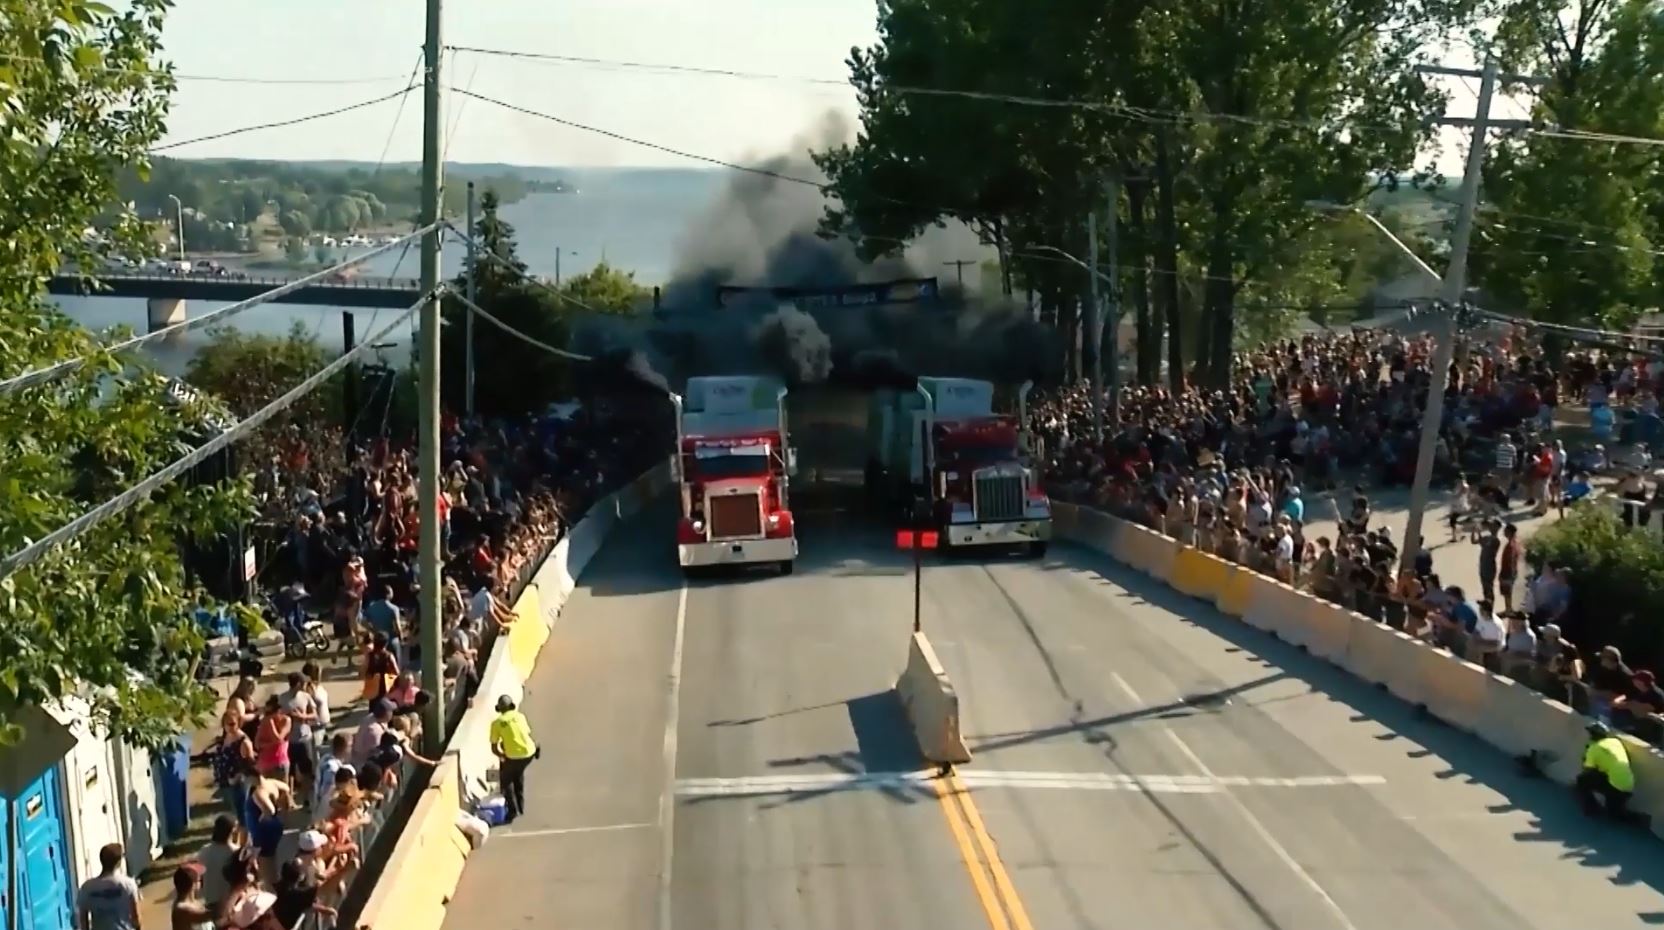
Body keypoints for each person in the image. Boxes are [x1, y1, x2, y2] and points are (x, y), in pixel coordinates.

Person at [489, 694, 539, 824]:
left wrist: (502, 756)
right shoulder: (520, 716)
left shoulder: (497, 723)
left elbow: (494, 748)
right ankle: (520, 806)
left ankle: (512, 811)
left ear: (500, 709)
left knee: (506, 781)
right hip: (530, 752)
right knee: (517, 773)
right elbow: (524, 734)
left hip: (514, 756)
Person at [1576, 721, 1636, 821]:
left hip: (1615, 787)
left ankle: (1591, 809)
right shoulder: (1616, 742)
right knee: (1614, 812)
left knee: (1582, 780)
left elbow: (1587, 769)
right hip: (1629, 783)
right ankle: (1626, 813)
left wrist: (1586, 756)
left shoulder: (1594, 748)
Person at [76, 842, 140, 930]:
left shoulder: (87, 888)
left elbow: (83, 920)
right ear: (119, 862)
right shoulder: (128, 884)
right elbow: (135, 916)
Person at [192, 815, 239, 912]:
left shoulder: (204, 851)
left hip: (210, 903)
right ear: (232, 831)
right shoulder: (235, 853)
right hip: (231, 904)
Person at [169, 862, 215, 930]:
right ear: (193, 884)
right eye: (199, 880)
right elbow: (210, 916)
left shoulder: (195, 903)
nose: (201, 882)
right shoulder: (181, 909)